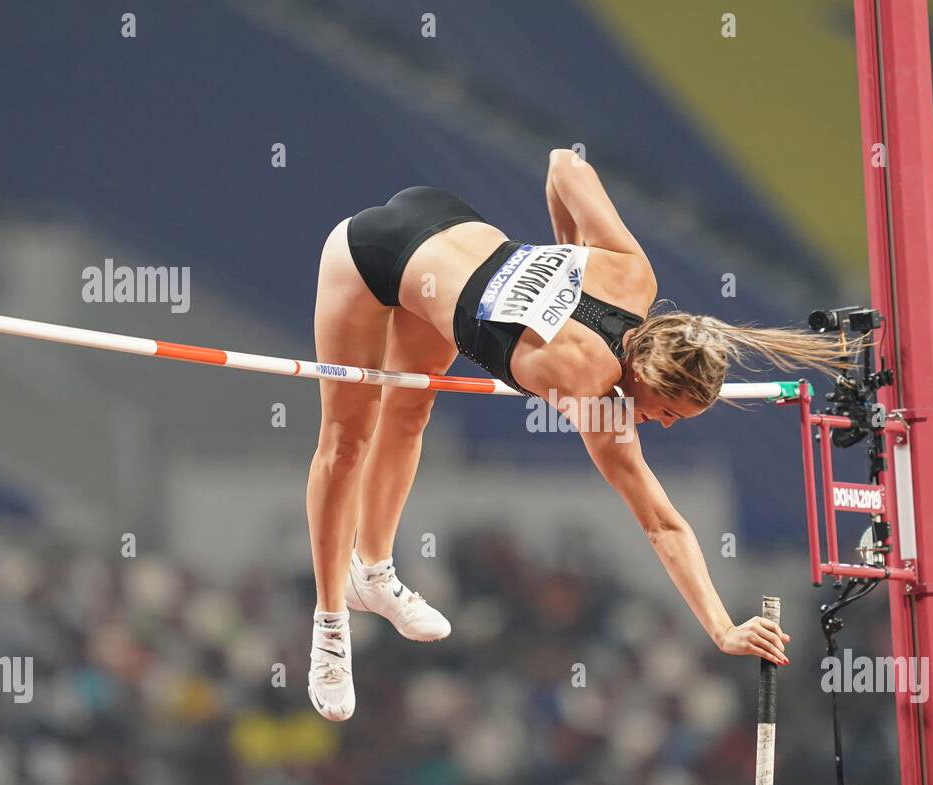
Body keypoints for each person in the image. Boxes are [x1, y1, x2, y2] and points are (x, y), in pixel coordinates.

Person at [305, 149, 847, 720]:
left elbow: (565, 164)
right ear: (643, 375)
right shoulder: (587, 389)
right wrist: (721, 627)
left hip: (444, 222)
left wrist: (565, 250)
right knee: (346, 440)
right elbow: (660, 522)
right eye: (666, 412)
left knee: (410, 413)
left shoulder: (634, 276)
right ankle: (330, 626)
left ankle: (373, 570)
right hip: (368, 255)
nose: (660, 425)